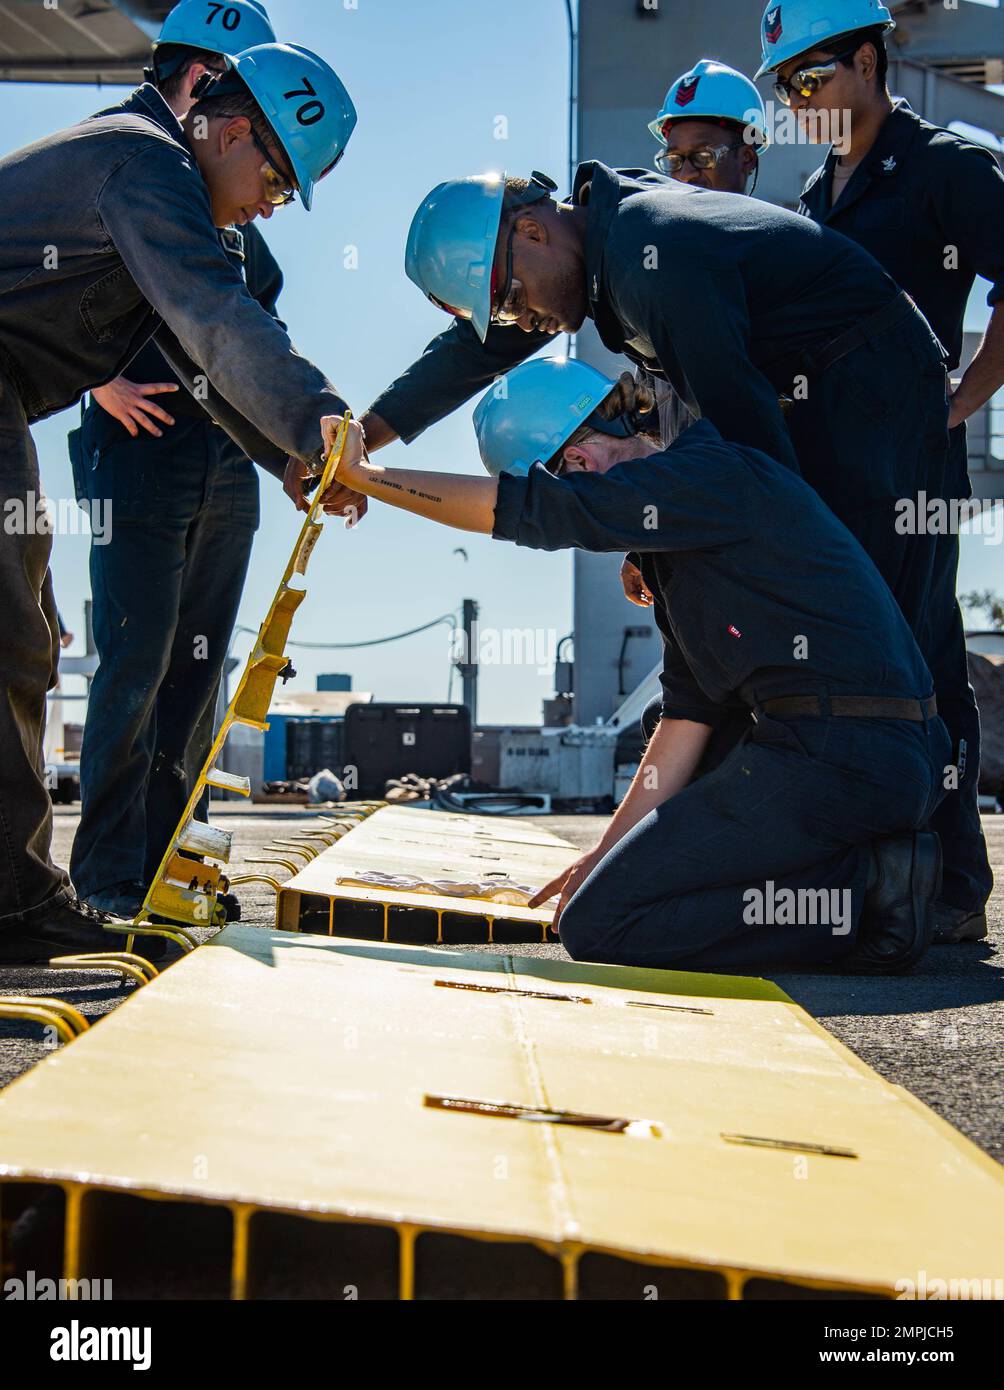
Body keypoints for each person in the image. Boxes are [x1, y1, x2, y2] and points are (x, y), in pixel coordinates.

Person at [312, 360, 948, 973]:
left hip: (849, 753)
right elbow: (687, 717)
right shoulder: (674, 537)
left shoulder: (706, 477)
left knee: (606, 923)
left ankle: (865, 892)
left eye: (563, 482)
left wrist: (368, 477)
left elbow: (528, 509)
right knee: (609, 888)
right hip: (846, 749)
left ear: (579, 463)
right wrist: (605, 854)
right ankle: (847, 868)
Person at [0, 40, 363, 964]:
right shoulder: (147, 162)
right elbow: (214, 314)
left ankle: (11, 895)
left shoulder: (159, 178)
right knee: (10, 633)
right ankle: (12, 902)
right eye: (277, 181)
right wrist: (320, 415)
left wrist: (282, 457)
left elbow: (198, 355)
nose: (273, 204)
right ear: (233, 129)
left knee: (22, 634)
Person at [755, 0, 1004, 941]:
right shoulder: (818, 194)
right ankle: (878, 869)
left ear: (869, 59)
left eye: (811, 77)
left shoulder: (945, 164)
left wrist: (961, 400)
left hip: (910, 472)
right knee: (854, 666)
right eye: (786, 86)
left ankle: (953, 887)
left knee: (927, 663)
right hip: (831, 473)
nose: (798, 99)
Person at [68, 0, 285, 921]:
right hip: (140, 457)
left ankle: (161, 871)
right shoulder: (117, 155)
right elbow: (47, 290)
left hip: (224, 459)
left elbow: (249, 321)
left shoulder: (228, 207)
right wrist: (96, 382)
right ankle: (107, 876)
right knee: (137, 661)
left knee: (196, 672)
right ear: (206, 87)